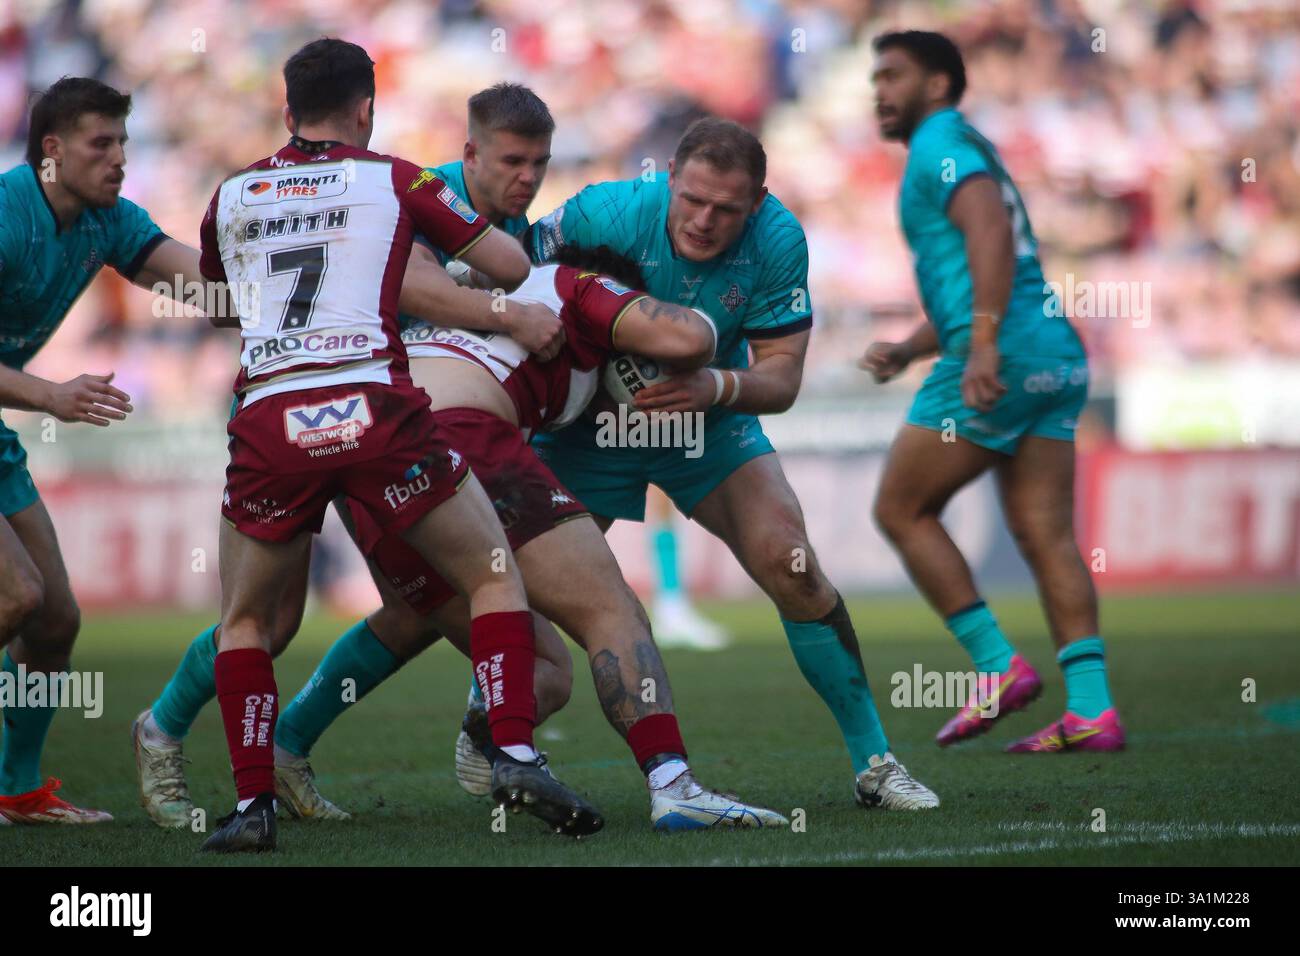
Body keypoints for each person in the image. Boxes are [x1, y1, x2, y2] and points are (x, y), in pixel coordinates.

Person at [194, 37, 600, 853]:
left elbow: (215, 301)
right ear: (367, 111)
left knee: (244, 622)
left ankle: (250, 806)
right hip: (377, 411)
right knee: (491, 573)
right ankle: (513, 750)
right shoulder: (397, 176)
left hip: (272, 418)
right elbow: (509, 259)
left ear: (286, 110)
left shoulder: (232, 192)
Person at [523, 117, 940, 810]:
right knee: (507, 590)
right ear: (670, 180)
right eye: (693, 200)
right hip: (585, 429)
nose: (705, 221)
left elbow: (781, 378)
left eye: (727, 210)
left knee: (791, 563)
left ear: (758, 201)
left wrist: (712, 386)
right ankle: (478, 735)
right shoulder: (605, 211)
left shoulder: (778, 239)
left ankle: (875, 763)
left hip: (706, 421)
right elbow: (513, 281)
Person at [864, 30, 1123, 753]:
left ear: (939, 84)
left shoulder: (939, 143)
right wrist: (913, 347)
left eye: (893, 75)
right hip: (1053, 353)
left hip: (1002, 351)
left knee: (901, 507)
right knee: (1047, 536)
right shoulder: (967, 143)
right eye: (874, 78)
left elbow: (988, 238)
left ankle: (996, 665)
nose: (878, 91)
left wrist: (977, 345)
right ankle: (1094, 710)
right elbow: (978, 259)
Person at [0, 77, 218, 824]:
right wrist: (49, 396)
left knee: (54, 620)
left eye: (124, 142)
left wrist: (293, 295)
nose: (121, 158)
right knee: (14, 597)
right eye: (103, 144)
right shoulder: (4, 213)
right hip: (20, 406)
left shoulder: (107, 220)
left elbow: (206, 290)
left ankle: (18, 791)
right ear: (53, 152)